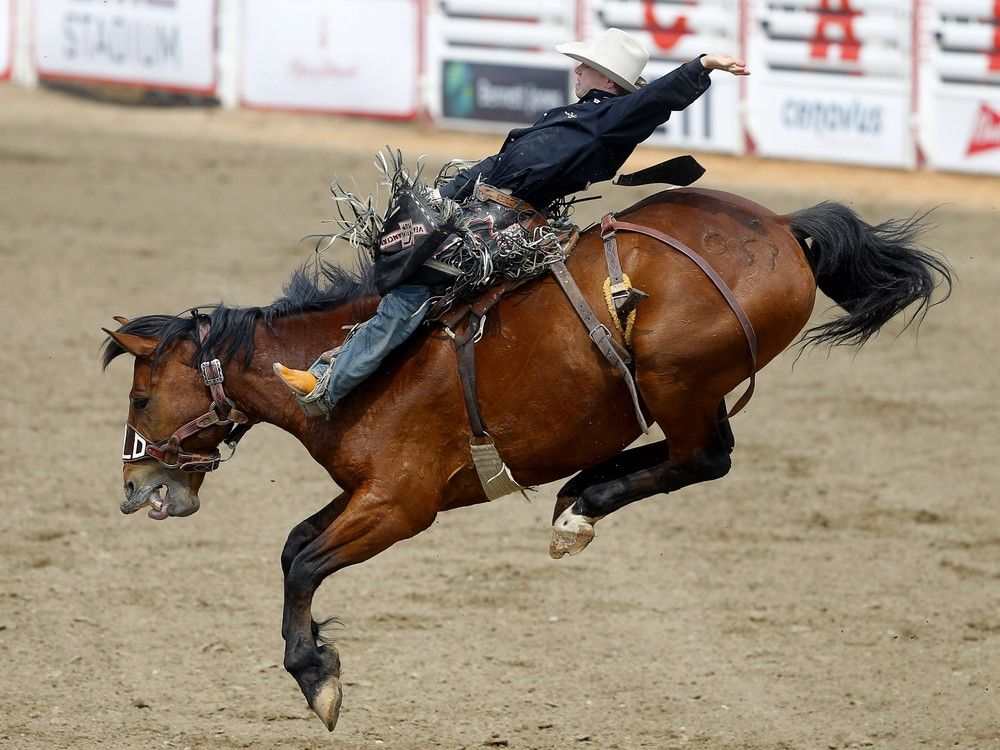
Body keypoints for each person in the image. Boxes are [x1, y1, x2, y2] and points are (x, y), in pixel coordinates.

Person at [274, 28, 749, 413]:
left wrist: (700, 65)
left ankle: (328, 385)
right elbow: (499, 164)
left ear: (607, 81)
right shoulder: (577, 114)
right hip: (481, 213)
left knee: (413, 290)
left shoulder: (613, 119)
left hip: (501, 228)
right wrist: (446, 193)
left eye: (585, 65)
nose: (576, 69)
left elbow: (656, 99)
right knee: (400, 271)